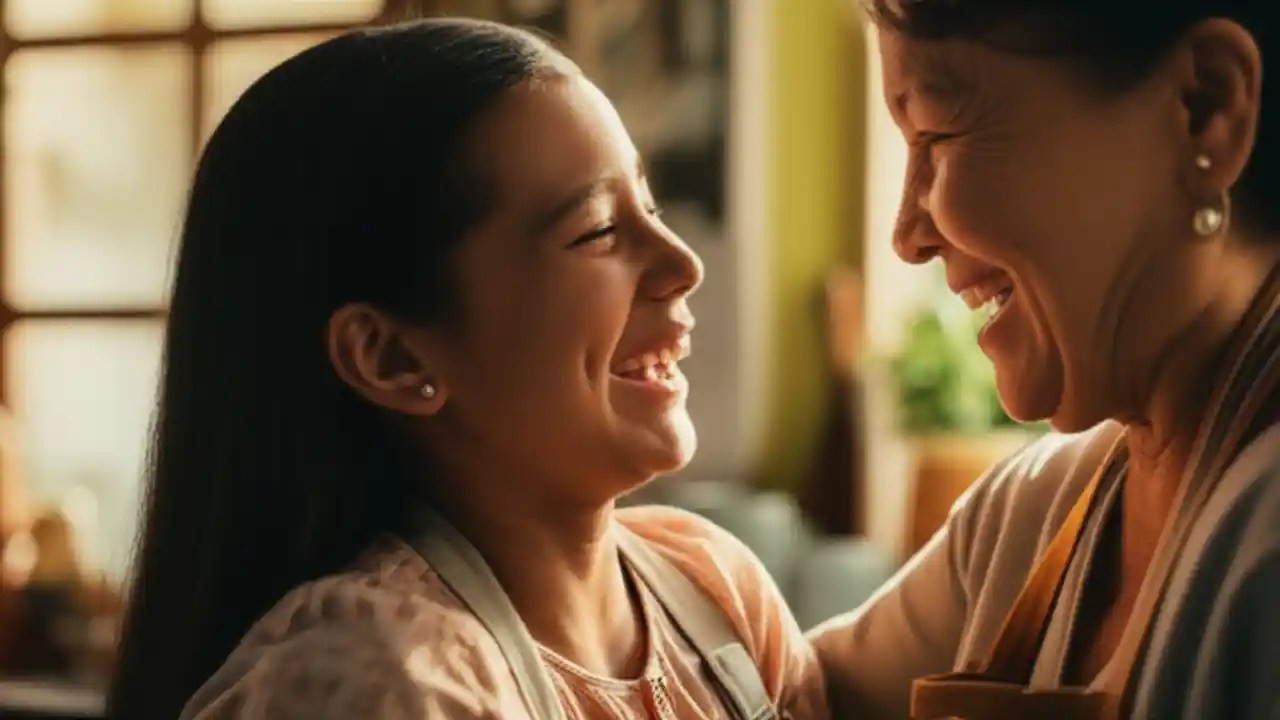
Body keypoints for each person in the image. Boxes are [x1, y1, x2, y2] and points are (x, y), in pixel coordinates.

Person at [106, 19, 826, 720]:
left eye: (650, 203)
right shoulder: (383, 684)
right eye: (599, 230)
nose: (683, 264)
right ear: (394, 357)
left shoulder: (713, 589)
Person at [811, 2, 1280, 719]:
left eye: (937, 132)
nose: (907, 235)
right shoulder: (1029, 516)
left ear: (1203, 109)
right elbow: (794, 693)